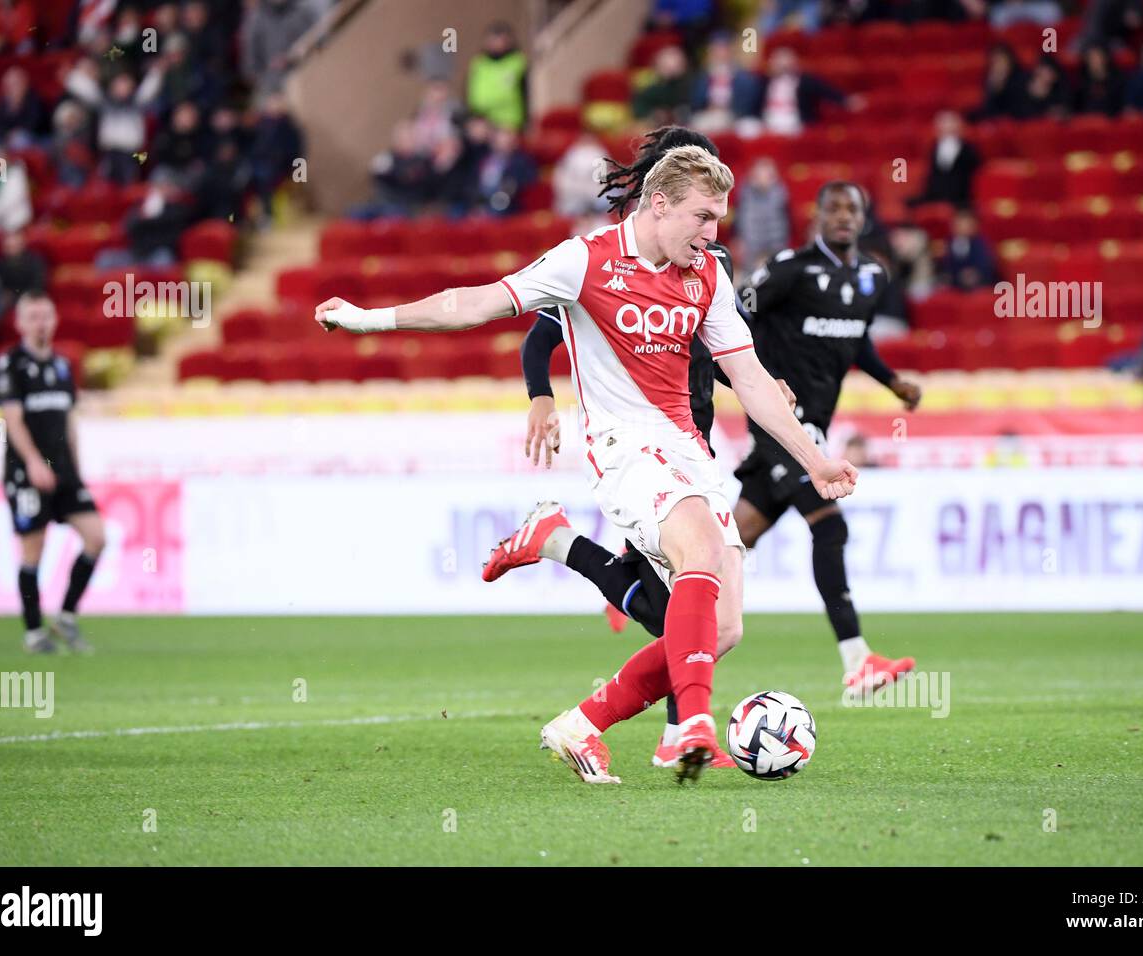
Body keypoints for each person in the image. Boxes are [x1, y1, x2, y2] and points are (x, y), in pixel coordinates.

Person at [313, 145, 858, 784]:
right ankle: (694, 724)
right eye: (703, 217)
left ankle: (580, 726)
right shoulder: (585, 260)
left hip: (688, 452)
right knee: (702, 550)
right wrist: (367, 319)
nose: (714, 235)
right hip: (623, 450)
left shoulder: (705, 275)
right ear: (660, 205)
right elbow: (474, 304)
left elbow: (754, 381)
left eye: (719, 220)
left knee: (725, 629)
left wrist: (815, 459)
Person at [486, 126, 792, 771]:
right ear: (662, 191)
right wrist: (541, 395)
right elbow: (542, 332)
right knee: (683, 605)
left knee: (697, 610)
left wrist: (762, 384)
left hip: (692, 435)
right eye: (700, 205)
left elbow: (728, 348)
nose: (709, 224)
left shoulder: (711, 261)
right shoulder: (600, 261)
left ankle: (556, 543)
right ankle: (676, 731)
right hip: (637, 443)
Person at [736, 182, 920, 692]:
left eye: (852, 209)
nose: (843, 217)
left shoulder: (871, 276)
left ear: (864, 218)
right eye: (833, 208)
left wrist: (891, 381)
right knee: (831, 528)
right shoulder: (788, 270)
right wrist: (756, 378)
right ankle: (857, 660)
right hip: (779, 423)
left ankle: (640, 575)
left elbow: (857, 338)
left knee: (734, 539)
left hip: (817, 426)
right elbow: (729, 317)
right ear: (815, 215)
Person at [0, 292, 105, 653]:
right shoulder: (10, 364)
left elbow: (68, 421)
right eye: (33, 317)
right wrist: (32, 462)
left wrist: (77, 466)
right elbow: (13, 420)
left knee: (96, 537)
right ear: (20, 322)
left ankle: (67, 617)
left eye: (45, 316)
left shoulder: (62, 366)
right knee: (33, 549)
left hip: (64, 471)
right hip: (26, 473)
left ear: (55, 320)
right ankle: (33, 632)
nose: (40, 323)